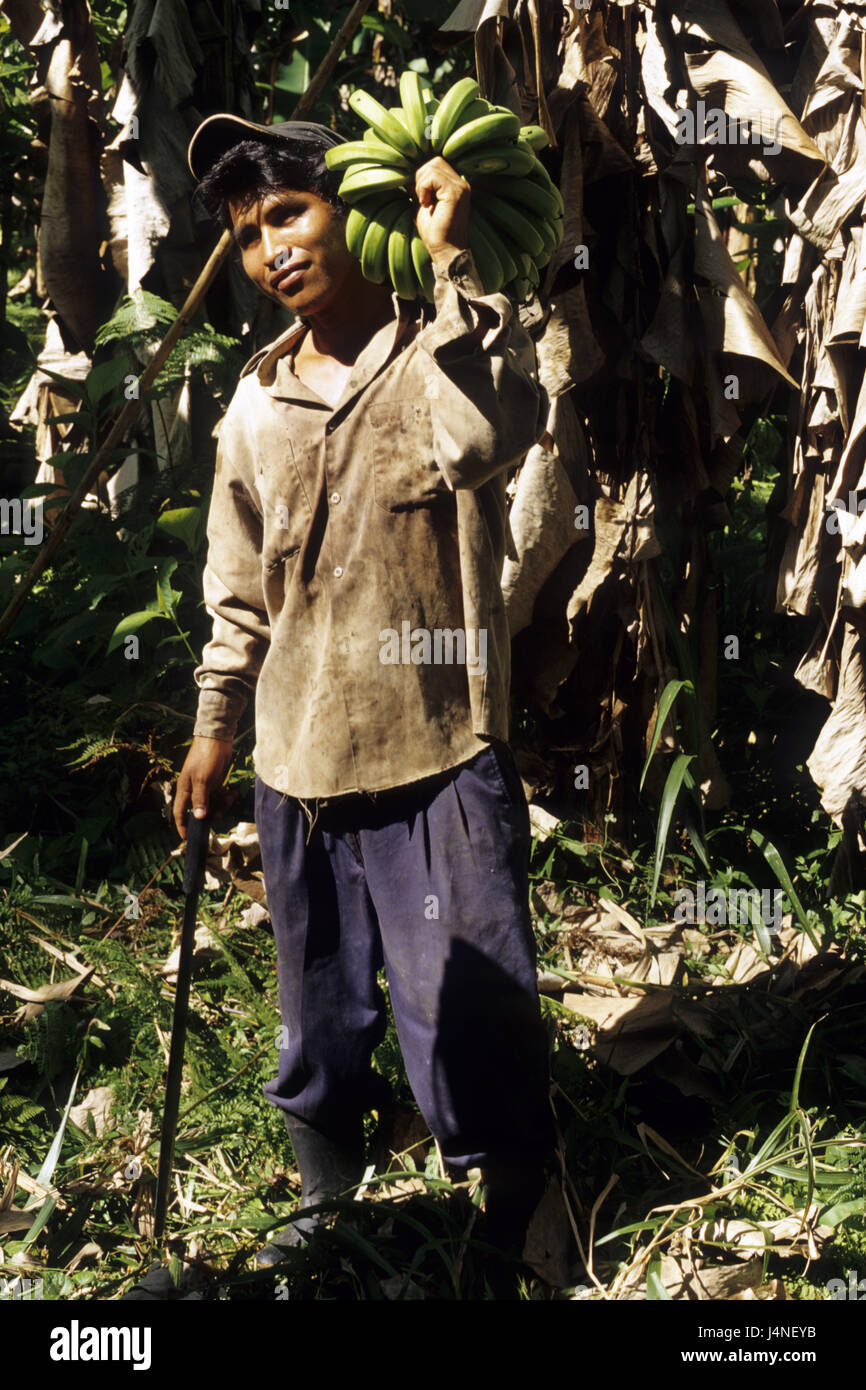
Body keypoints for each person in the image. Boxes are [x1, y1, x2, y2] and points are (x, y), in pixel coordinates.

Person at [172, 112, 555, 1279]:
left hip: (435, 744)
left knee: (466, 1003)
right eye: (247, 235)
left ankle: (513, 1201)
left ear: (352, 208)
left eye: (288, 212)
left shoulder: (438, 350)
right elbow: (237, 594)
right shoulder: (252, 407)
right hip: (298, 757)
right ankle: (322, 1186)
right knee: (323, 1004)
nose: (271, 247)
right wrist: (209, 733)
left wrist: (448, 262)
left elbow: (492, 436)